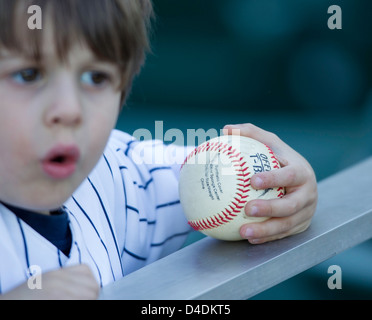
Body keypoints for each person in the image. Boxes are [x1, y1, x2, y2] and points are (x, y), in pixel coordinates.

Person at [0, 0, 317, 299]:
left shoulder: (110, 172)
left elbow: (214, 177)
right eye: (29, 74)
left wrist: (289, 186)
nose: (69, 109)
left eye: (95, 77)